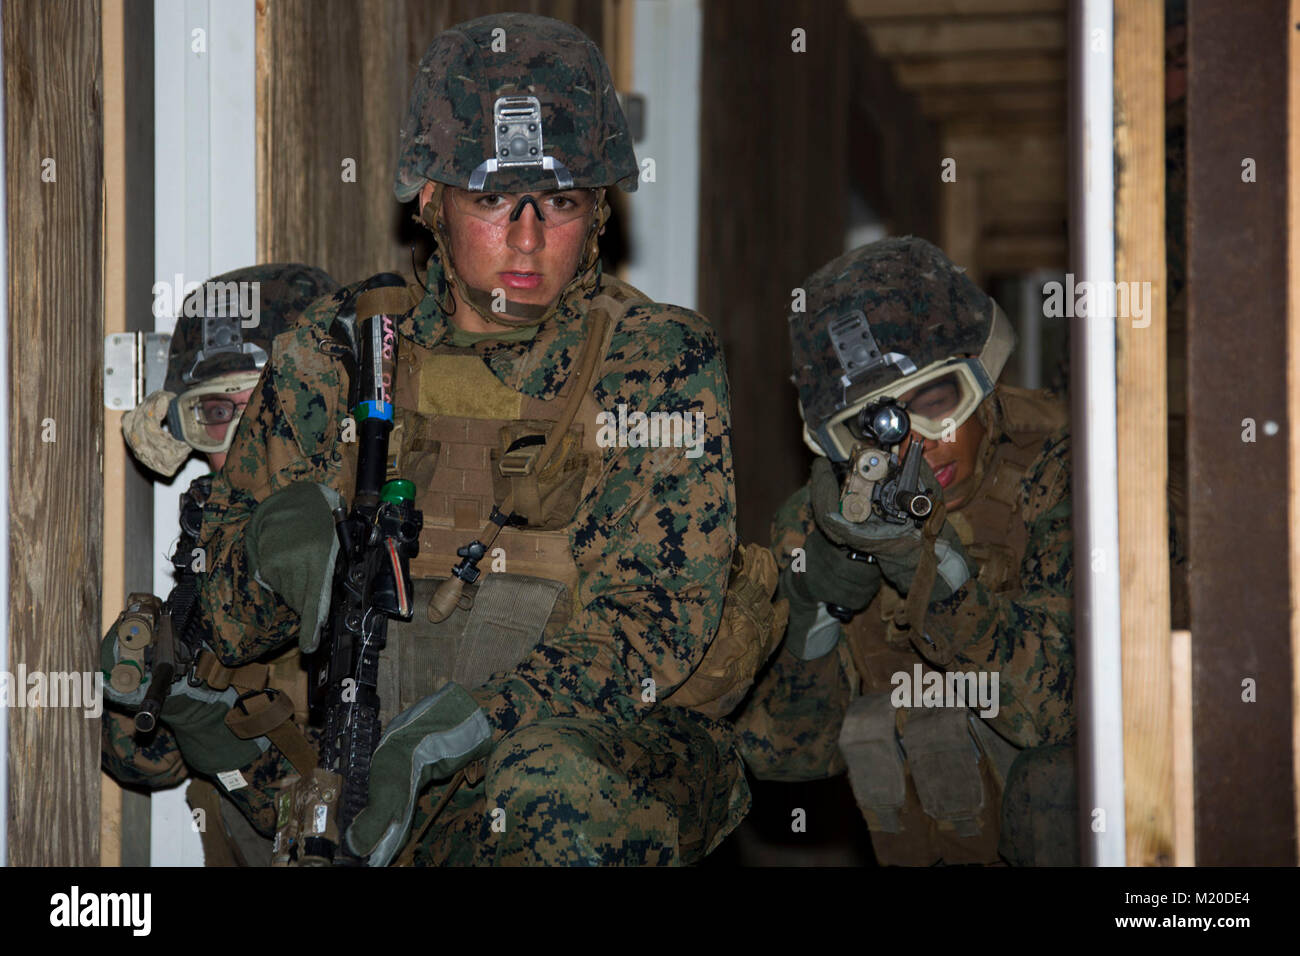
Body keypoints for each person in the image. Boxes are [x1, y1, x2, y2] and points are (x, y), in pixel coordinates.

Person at [192, 13, 781, 866]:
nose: (531, 238)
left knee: (551, 790)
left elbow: (652, 628)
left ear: (601, 213)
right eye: (495, 199)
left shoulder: (654, 362)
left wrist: (460, 729)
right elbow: (215, 623)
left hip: (563, 761)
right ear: (433, 201)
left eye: (564, 202)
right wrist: (266, 559)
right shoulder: (338, 355)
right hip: (361, 770)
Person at [734, 237, 1078, 866]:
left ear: (981, 372)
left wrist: (934, 572)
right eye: (875, 426)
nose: (914, 448)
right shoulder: (826, 520)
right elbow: (785, 756)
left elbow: (1055, 714)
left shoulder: (1071, 469)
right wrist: (817, 611)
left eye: (934, 403)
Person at [101, 263, 339, 866]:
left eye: (261, 409)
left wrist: (219, 740)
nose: (239, 444)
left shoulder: (363, 546)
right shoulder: (204, 555)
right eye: (215, 413)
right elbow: (144, 764)